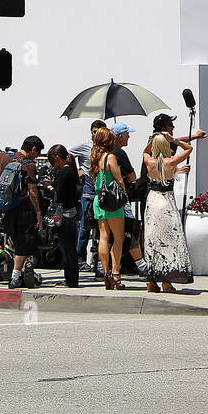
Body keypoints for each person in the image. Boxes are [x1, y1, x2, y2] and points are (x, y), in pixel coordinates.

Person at [141, 132, 197, 291]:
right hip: (166, 201)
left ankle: (152, 280)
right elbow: (189, 148)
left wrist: (151, 140)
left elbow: (144, 152)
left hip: (152, 200)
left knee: (152, 239)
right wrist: (175, 140)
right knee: (169, 240)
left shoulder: (149, 161)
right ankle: (166, 281)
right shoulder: (171, 161)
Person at [0, 135, 45, 288]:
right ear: (33, 149)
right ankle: (15, 277)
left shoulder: (4, 158)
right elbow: (32, 191)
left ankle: (20, 273)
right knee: (24, 242)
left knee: (13, 241)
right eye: (38, 153)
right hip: (24, 210)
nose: (37, 156)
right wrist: (38, 212)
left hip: (7, 209)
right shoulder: (28, 165)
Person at [87, 127, 128, 290]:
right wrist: (124, 195)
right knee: (118, 238)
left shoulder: (95, 157)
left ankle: (106, 272)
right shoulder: (110, 157)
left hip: (99, 200)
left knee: (103, 237)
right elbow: (119, 180)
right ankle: (116, 273)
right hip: (112, 201)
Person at [71, 119, 107, 275]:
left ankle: (99, 260)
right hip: (88, 189)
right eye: (93, 131)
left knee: (102, 227)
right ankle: (80, 259)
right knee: (85, 225)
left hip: (102, 191)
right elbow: (68, 154)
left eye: (98, 131)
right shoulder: (84, 145)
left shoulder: (107, 148)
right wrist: (77, 170)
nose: (95, 134)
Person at [110, 122, 145, 274]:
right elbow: (131, 176)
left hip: (104, 201)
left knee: (106, 235)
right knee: (130, 230)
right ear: (120, 136)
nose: (129, 136)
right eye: (127, 134)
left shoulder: (102, 153)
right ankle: (141, 266)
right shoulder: (119, 154)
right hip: (120, 199)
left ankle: (103, 268)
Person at [46, 144, 81, 288]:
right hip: (71, 212)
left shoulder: (63, 172)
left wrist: (49, 188)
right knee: (70, 247)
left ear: (57, 158)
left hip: (64, 214)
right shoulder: (72, 171)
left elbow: (58, 194)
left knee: (66, 248)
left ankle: (71, 280)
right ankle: (72, 278)